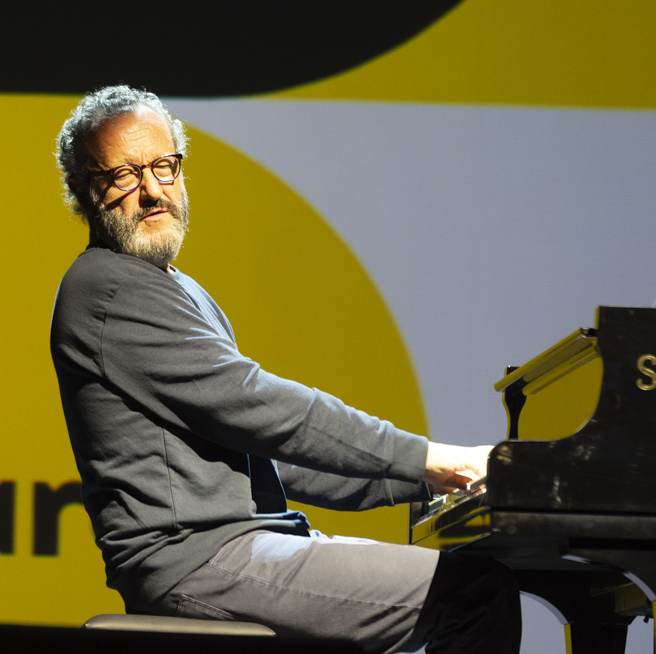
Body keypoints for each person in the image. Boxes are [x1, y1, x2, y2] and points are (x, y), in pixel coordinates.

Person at [50, 85, 521, 653]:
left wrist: (422, 480)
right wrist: (434, 457)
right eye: (123, 176)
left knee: (471, 585)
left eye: (163, 166)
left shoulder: (172, 287)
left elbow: (265, 457)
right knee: (473, 592)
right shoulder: (107, 287)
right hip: (200, 560)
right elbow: (263, 409)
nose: (152, 190)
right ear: (84, 192)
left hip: (239, 546)